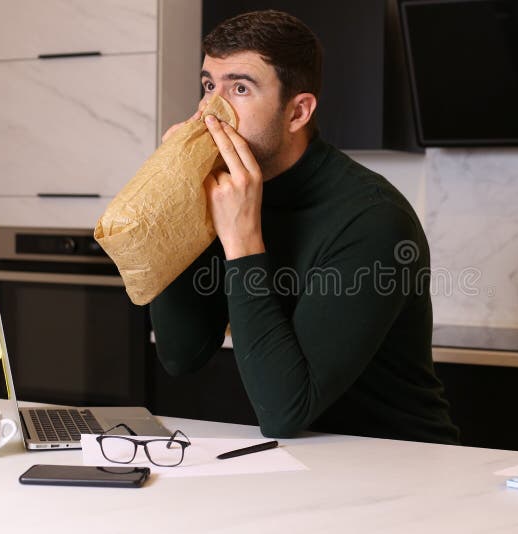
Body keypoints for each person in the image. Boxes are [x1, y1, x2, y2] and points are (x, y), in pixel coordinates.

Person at [150, 10, 459, 445]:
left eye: (239, 88)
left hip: (398, 463)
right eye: (208, 86)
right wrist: (176, 205)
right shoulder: (230, 193)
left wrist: (241, 240)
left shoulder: (373, 219)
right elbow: (182, 353)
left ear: (297, 112)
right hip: (299, 465)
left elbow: (284, 410)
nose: (209, 111)